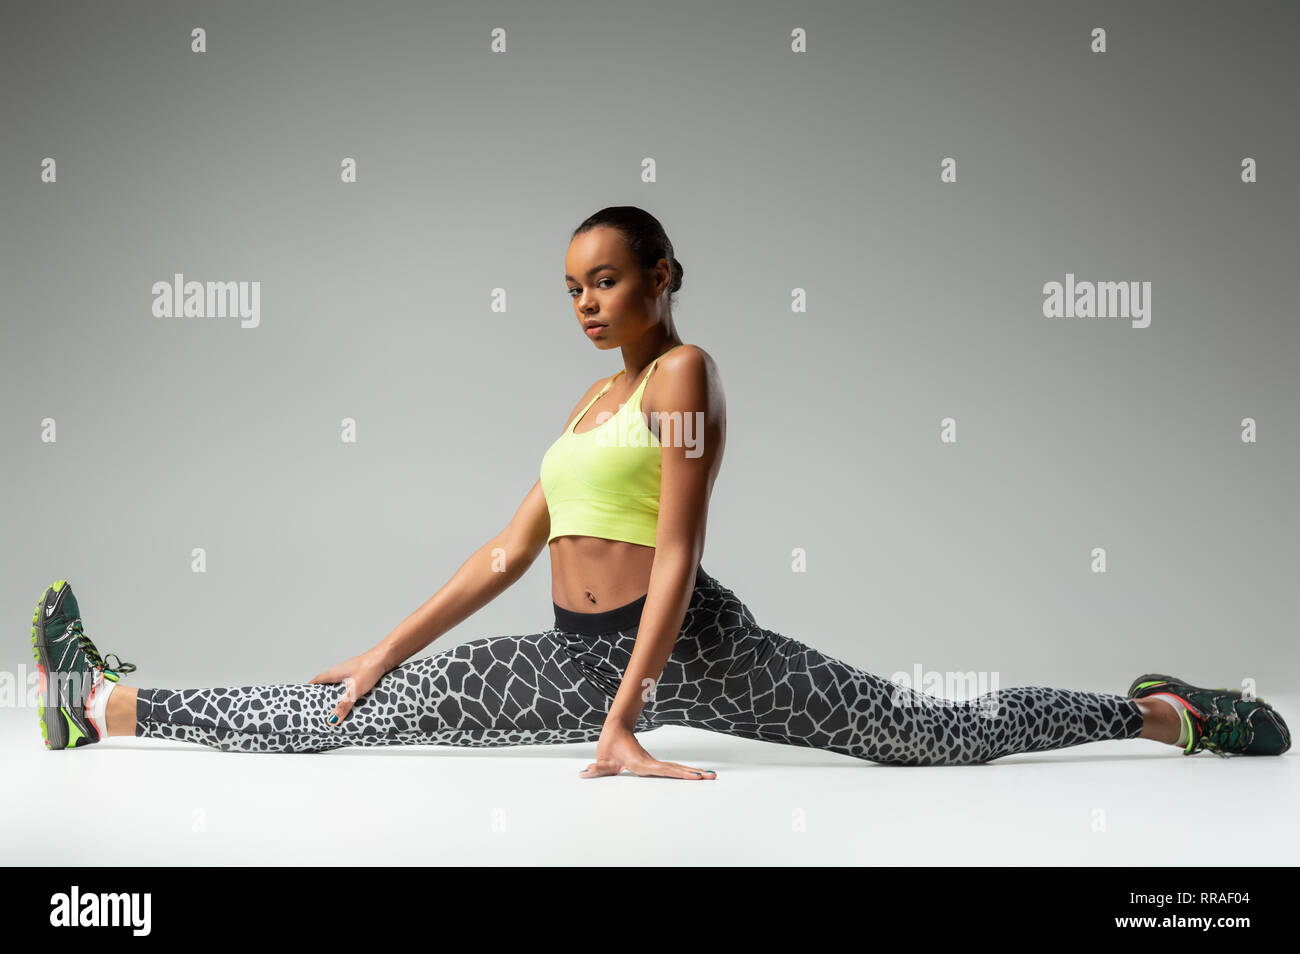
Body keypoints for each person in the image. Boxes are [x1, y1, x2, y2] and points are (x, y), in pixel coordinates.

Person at [29, 206, 1291, 778]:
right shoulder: (582, 407)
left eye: (607, 280)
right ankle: (96, 699)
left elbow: (677, 556)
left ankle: (1159, 714)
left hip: (698, 652)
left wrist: (629, 718)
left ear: (664, 277)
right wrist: (384, 643)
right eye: (572, 286)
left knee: (926, 734)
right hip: (576, 658)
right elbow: (501, 554)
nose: (587, 301)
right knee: (347, 708)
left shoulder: (682, 369)